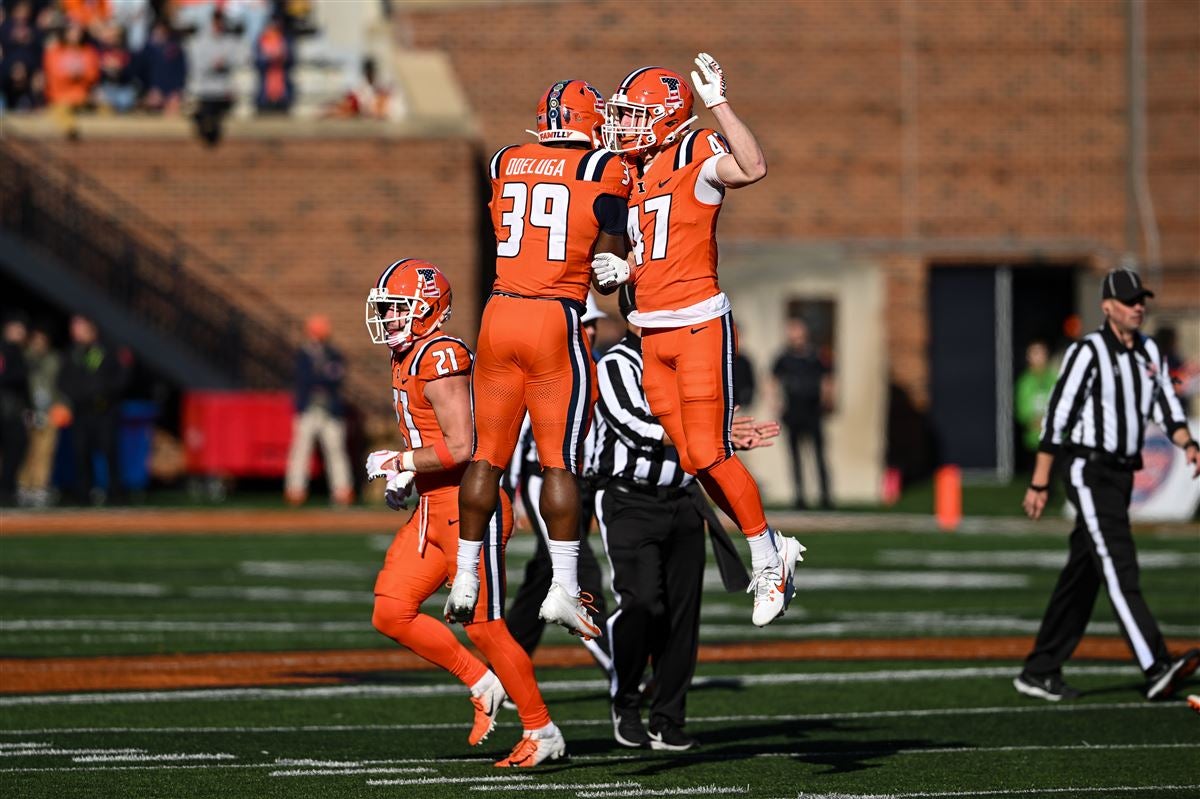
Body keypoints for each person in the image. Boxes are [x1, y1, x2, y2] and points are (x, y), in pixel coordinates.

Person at [594, 53, 804, 626]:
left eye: (635, 115)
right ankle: (769, 552)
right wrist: (625, 270)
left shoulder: (696, 150)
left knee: (710, 453)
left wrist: (720, 104)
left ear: (665, 117)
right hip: (653, 332)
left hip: (698, 323)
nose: (624, 125)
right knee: (692, 455)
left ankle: (769, 557)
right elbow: (657, 250)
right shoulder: (635, 173)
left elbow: (753, 167)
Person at [447, 79, 631, 641]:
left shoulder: (506, 159)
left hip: (499, 312)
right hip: (555, 316)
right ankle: (565, 588)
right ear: (589, 119)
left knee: (487, 456)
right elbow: (612, 247)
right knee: (558, 463)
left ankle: (464, 576)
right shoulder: (606, 166)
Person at [363, 258, 566, 768]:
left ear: (428, 309)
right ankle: (481, 681)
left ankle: (543, 730)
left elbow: (461, 445)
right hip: (433, 509)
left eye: (397, 309)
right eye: (386, 310)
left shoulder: (441, 356)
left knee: (485, 627)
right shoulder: (408, 355)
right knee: (391, 609)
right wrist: (409, 476)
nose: (388, 319)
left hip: (469, 510)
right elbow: (433, 439)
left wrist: (400, 459)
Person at [595, 284, 777, 752]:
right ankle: (626, 699)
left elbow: (706, 426)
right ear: (639, 316)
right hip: (629, 500)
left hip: (682, 498)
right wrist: (712, 432)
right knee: (641, 603)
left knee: (682, 615)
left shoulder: (681, 357)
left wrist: (726, 437)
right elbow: (633, 424)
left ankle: (668, 716)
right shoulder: (617, 362)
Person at [1016, 268, 1200, 702]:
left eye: (1142, 299)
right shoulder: (1088, 352)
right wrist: (1040, 481)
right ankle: (1155, 664)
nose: (1139, 307)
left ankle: (1040, 669)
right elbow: (1058, 417)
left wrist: (1187, 443)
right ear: (1107, 307)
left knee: (1083, 573)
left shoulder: (1149, 351)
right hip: (1088, 469)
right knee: (1119, 563)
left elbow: (1166, 405)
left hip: (1122, 473)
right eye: (1130, 300)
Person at [505, 293, 612, 676]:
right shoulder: (543, 369)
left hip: (581, 484)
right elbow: (515, 434)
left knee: (541, 573)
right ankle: (622, 671)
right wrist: (513, 493)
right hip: (543, 481)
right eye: (584, 323)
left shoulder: (600, 367)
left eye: (593, 323)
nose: (590, 330)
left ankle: (506, 668)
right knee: (582, 572)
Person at [57, 315, 128, 505]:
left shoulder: (106, 350)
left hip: (104, 410)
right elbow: (64, 380)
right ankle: (83, 494)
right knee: (81, 453)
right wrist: (76, 396)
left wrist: (103, 393)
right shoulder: (72, 353)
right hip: (81, 411)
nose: (74, 330)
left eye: (79, 326)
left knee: (109, 451)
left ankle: (115, 492)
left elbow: (119, 378)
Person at [284, 314, 353, 506]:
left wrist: (321, 378)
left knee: (335, 449)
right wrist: (322, 377)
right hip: (308, 408)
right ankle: (295, 489)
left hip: (330, 409)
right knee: (301, 450)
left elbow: (335, 379)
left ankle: (342, 490)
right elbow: (306, 380)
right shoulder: (303, 355)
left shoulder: (333, 353)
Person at [771, 317, 833, 510]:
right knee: (795, 456)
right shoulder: (783, 358)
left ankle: (825, 497)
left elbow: (827, 378)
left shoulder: (816, 356)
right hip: (793, 411)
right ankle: (799, 497)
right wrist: (776, 402)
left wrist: (827, 399)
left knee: (819, 455)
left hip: (813, 410)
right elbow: (772, 380)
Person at [17, 326, 62, 508]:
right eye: (36, 339)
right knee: (26, 450)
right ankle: (24, 487)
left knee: (45, 451)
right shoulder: (23, 358)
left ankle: (40, 487)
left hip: (48, 411)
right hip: (27, 410)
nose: (38, 343)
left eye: (42, 339)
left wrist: (56, 407)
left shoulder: (54, 359)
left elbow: (60, 386)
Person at [186, 6, 241, 145]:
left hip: (222, 90)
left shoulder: (229, 41)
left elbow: (237, 60)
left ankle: (210, 130)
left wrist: (224, 64)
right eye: (216, 23)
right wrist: (213, 65)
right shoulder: (199, 42)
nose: (219, 26)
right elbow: (197, 65)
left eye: (221, 23)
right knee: (205, 110)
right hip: (205, 90)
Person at [0, 313, 31, 507]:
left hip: (12, 409)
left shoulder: (18, 351)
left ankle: (7, 489)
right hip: (6, 410)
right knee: (15, 446)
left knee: (17, 447)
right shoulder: (6, 350)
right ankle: (6, 489)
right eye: (16, 329)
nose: (20, 333)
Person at [1014, 339, 1057, 470]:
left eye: (1040, 353)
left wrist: (1049, 422)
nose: (1037, 357)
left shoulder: (1055, 379)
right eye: (1034, 353)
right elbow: (1022, 410)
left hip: (1054, 438)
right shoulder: (1025, 381)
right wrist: (1033, 421)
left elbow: (1062, 406)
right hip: (1033, 440)